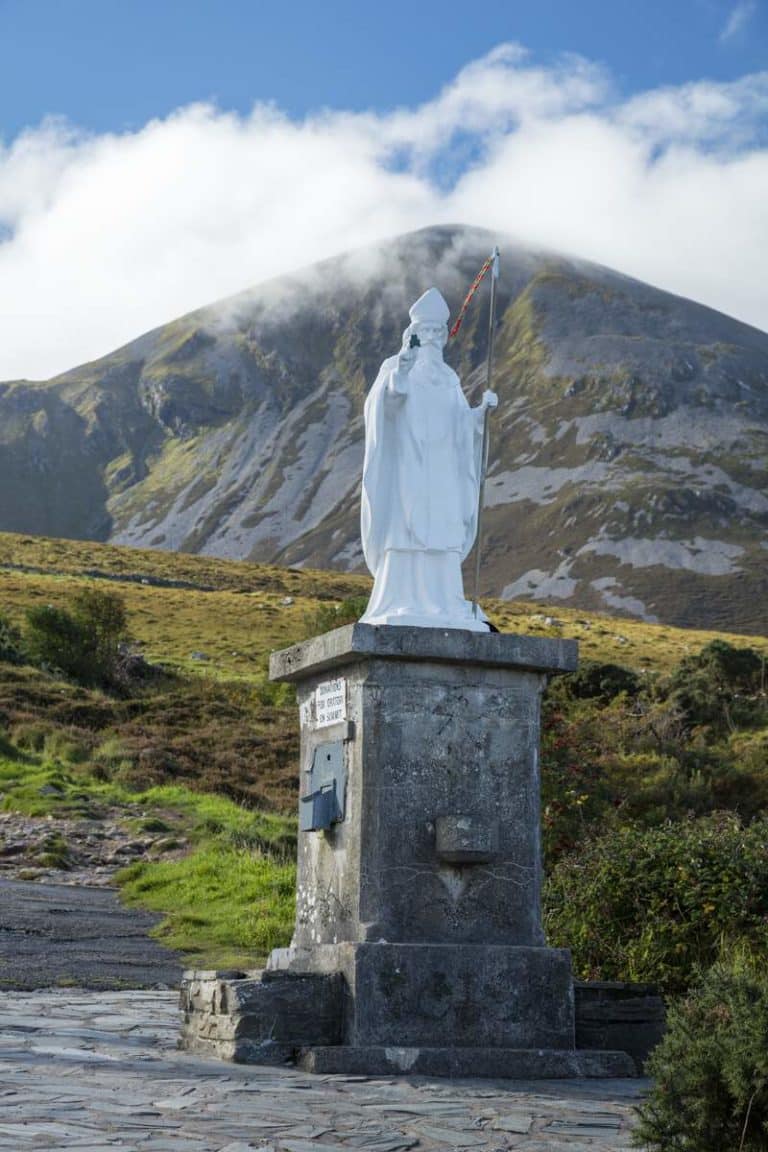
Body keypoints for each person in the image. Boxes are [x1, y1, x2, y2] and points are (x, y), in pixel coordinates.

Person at [360, 287, 498, 631]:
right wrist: (400, 375)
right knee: (408, 529)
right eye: (428, 332)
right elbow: (383, 409)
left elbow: (459, 426)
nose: (434, 338)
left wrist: (479, 416)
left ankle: (446, 602)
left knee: (443, 531)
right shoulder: (395, 367)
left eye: (439, 332)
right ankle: (404, 599)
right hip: (409, 469)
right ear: (414, 335)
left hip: (442, 474)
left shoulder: (449, 379)